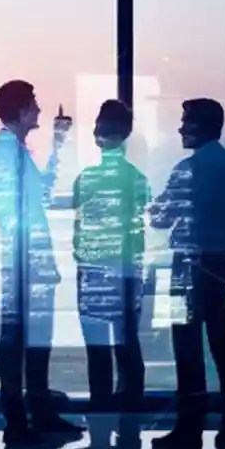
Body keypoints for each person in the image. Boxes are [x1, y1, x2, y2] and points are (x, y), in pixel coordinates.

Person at [0, 80, 83, 447]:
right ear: (23, 110)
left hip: (28, 262)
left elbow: (39, 194)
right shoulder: (6, 154)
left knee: (33, 341)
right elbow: (17, 213)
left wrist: (57, 146)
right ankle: (20, 421)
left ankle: (35, 416)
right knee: (18, 343)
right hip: (25, 263)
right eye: (35, 105)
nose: (40, 111)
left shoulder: (14, 152)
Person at [148, 98, 225, 449]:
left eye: (185, 121)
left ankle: (188, 430)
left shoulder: (185, 169)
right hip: (221, 265)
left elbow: (159, 218)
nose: (180, 128)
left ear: (200, 126)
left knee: (186, 349)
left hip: (186, 267)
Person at [73, 100, 150, 411]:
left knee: (96, 340)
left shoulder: (86, 178)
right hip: (127, 267)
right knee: (128, 337)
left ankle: (100, 399)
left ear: (97, 134)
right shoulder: (138, 179)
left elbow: (79, 214)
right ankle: (131, 399)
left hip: (93, 267)